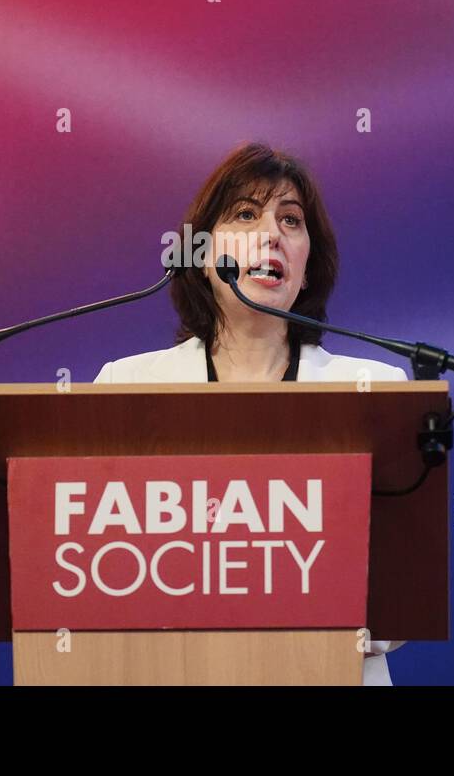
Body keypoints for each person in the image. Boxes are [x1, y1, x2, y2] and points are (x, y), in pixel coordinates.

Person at [94, 143, 408, 685]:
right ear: (198, 253)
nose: (272, 234)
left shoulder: (374, 390)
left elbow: (402, 594)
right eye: (244, 214)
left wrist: (265, 613)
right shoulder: (126, 388)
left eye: (291, 220)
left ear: (307, 268)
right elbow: (96, 582)